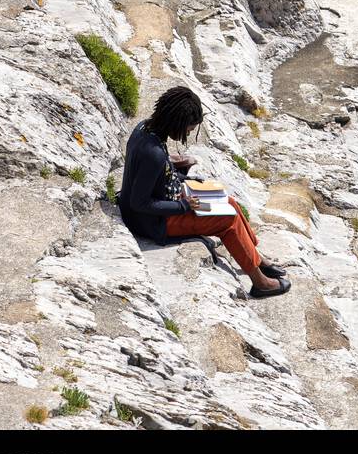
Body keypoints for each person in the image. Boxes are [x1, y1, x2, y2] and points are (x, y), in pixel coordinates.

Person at [118, 86, 291, 299]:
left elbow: (153, 175)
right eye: (189, 128)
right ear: (176, 122)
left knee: (229, 202)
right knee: (227, 220)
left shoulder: (144, 129)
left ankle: (256, 257)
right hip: (153, 223)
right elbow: (139, 203)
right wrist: (184, 206)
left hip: (161, 206)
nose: (190, 132)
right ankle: (261, 282)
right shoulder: (152, 154)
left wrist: (180, 178)